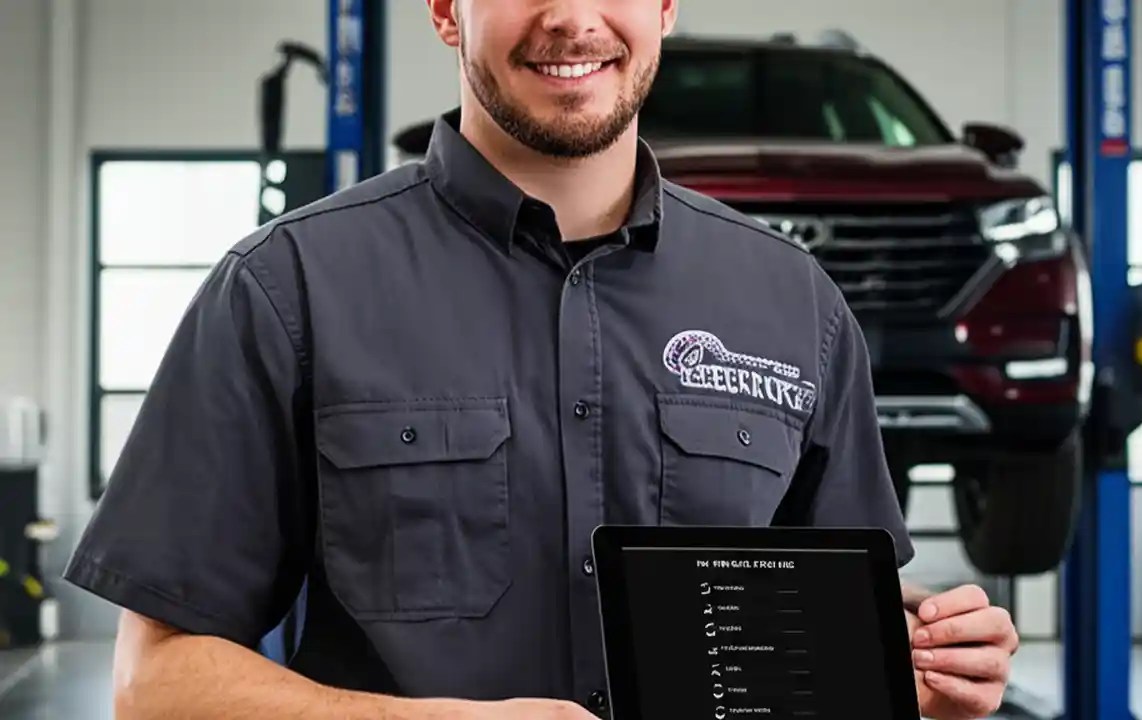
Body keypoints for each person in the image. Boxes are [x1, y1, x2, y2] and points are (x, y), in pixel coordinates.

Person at [65, 1, 1018, 718]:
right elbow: (156, 683)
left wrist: (925, 670)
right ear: (447, 11)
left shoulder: (792, 300)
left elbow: (832, 640)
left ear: (664, 8)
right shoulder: (287, 288)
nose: (571, 19)